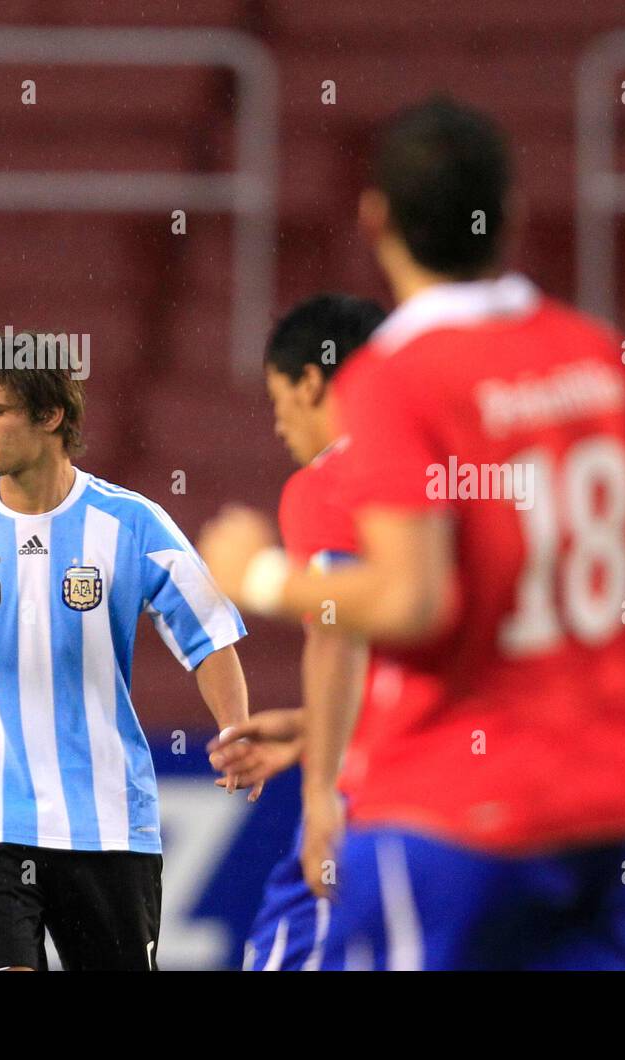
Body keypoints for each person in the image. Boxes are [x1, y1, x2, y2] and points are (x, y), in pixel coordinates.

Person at [200, 96, 625, 970]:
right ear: (513, 213)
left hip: (452, 820)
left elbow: (413, 601)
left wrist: (261, 576)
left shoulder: (393, 379)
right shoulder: (599, 359)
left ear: (375, 219)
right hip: (610, 813)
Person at [0, 345, 249, 970]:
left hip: (107, 825)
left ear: (49, 415)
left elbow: (209, 637)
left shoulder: (132, 523)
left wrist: (233, 727)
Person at [217, 293, 387, 971]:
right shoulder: (453, 479)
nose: (279, 422)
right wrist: (316, 725)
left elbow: (339, 629)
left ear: (311, 381)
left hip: (384, 795)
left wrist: (322, 792)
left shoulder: (328, 482)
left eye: (278, 396)